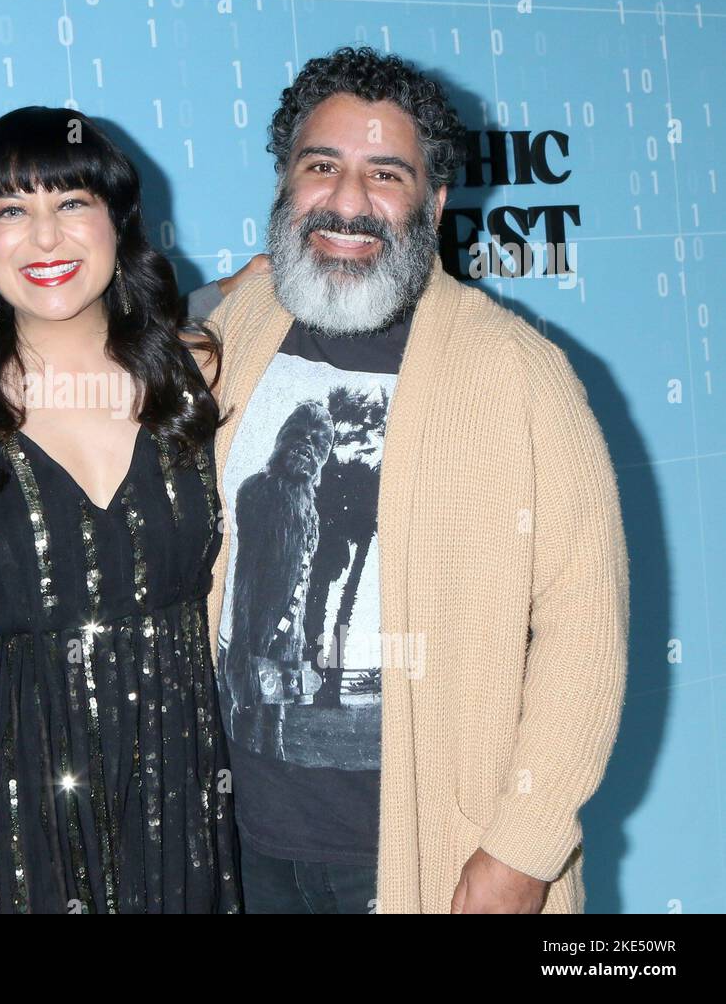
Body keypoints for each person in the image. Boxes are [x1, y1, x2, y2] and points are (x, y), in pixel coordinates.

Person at [197, 46, 628, 914]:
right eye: (323, 167)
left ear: (431, 205)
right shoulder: (236, 328)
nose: (348, 202)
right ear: (287, 184)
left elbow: (587, 626)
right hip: (238, 845)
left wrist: (524, 850)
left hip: (429, 854)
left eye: (385, 174)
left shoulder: (520, 372)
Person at [0, 106, 241, 913]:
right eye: (11, 212)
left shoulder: (202, 371)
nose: (46, 239)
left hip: (183, 788)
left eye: (71, 204)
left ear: (117, 222)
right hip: (2, 803)